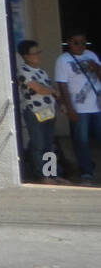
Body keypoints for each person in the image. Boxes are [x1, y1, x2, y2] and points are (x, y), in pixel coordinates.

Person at [54, 30, 101, 183]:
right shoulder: (63, 60)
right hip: (79, 108)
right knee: (81, 142)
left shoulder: (92, 55)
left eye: (83, 42)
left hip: (97, 106)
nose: (80, 46)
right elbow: (62, 85)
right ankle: (86, 171)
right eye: (76, 42)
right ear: (69, 43)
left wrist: (97, 68)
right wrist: (70, 108)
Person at [16, 40, 58, 182]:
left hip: (49, 111)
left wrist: (52, 92)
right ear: (26, 56)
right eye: (36, 53)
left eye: (39, 52)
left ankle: (51, 173)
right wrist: (52, 91)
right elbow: (39, 89)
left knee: (49, 144)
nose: (39, 56)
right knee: (38, 144)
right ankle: (42, 175)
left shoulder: (41, 71)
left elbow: (48, 88)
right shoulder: (23, 71)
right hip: (35, 112)